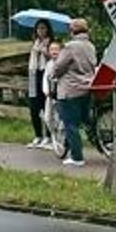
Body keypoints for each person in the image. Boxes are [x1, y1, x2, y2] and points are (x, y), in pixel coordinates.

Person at [46, 16, 98, 167]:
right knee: (85, 120)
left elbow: (58, 67)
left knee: (70, 124)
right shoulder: (90, 46)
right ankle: (101, 142)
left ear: (72, 31)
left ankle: (77, 157)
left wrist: (53, 74)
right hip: (87, 88)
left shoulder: (70, 47)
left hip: (70, 90)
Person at [25, 19, 56, 148]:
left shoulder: (52, 43)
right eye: (38, 29)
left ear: (47, 29)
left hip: (45, 75)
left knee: (46, 106)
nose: (41, 31)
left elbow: (55, 59)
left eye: (43, 28)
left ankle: (48, 136)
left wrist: (45, 52)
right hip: (33, 75)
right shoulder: (35, 43)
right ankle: (38, 135)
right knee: (33, 107)